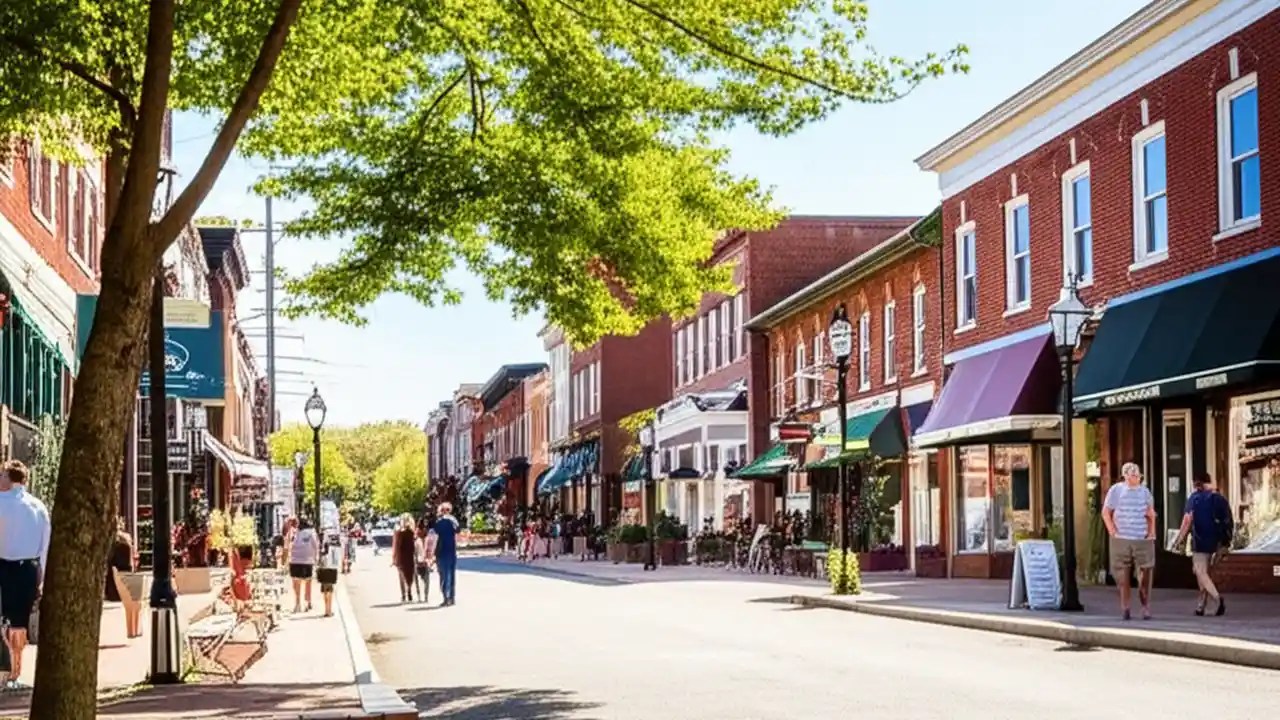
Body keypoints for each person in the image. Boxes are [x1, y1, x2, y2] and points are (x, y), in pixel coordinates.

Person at [0, 460, 50, 688]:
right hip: (28, 567)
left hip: (3, 565)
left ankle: (7, 668)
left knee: (5, 619)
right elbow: (45, 545)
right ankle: (17, 670)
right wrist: (43, 573)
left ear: (9, 479)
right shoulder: (38, 506)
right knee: (20, 621)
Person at [1102, 462, 1157, 620]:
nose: (1136, 477)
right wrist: (1112, 530)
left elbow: (1150, 514)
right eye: (1132, 474)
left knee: (1146, 571)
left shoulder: (1145, 492)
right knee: (1122, 575)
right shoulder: (1116, 490)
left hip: (1141, 537)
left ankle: (1145, 605)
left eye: (1138, 474)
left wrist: (1151, 532)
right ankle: (1125, 607)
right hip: (1122, 538)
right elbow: (1106, 512)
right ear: (1124, 476)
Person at [1175, 473, 1233, 616]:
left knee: (1200, 572)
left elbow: (1187, 521)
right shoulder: (1220, 498)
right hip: (1219, 542)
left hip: (1201, 540)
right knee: (1205, 573)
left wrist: (1179, 539)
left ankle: (1217, 598)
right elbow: (1229, 520)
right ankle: (1201, 605)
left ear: (1195, 483)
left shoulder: (1194, 499)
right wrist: (1226, 542)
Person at [289, 518, 320, 613]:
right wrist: (316, 558)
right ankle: (308, 602)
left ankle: (298, 604)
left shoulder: (294, 532)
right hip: (307, 560)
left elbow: (289, 545)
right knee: (308, 581)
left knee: (296, 582)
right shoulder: (312, 533)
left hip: (295, 560)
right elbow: (316, 546)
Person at [432, 503, 460, 606]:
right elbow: (458, 530)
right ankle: (452, 598)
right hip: (452, 551)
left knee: (443, 576)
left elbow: (434, 535)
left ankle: (446, 597)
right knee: (451, 576)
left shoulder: (439, 522)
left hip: (441, 552)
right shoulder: (453, 521)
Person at [391, 514, 417, 602]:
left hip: (401, 556)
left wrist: (394, 558)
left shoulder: (399, 533)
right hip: (410, 556)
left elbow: (396, 546)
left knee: (402, 576)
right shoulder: (412, 532)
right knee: (410, 574)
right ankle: (409, 590)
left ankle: (403, 594)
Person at [413, 524, 434, 603]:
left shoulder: (428, 540)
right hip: (418, 563)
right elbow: (413, 552)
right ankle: (420, 596)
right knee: (418, 580)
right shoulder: (416, 541)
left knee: (426, 580)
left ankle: (425, 597)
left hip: (425, 563)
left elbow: (431, 551)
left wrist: (430, 561)